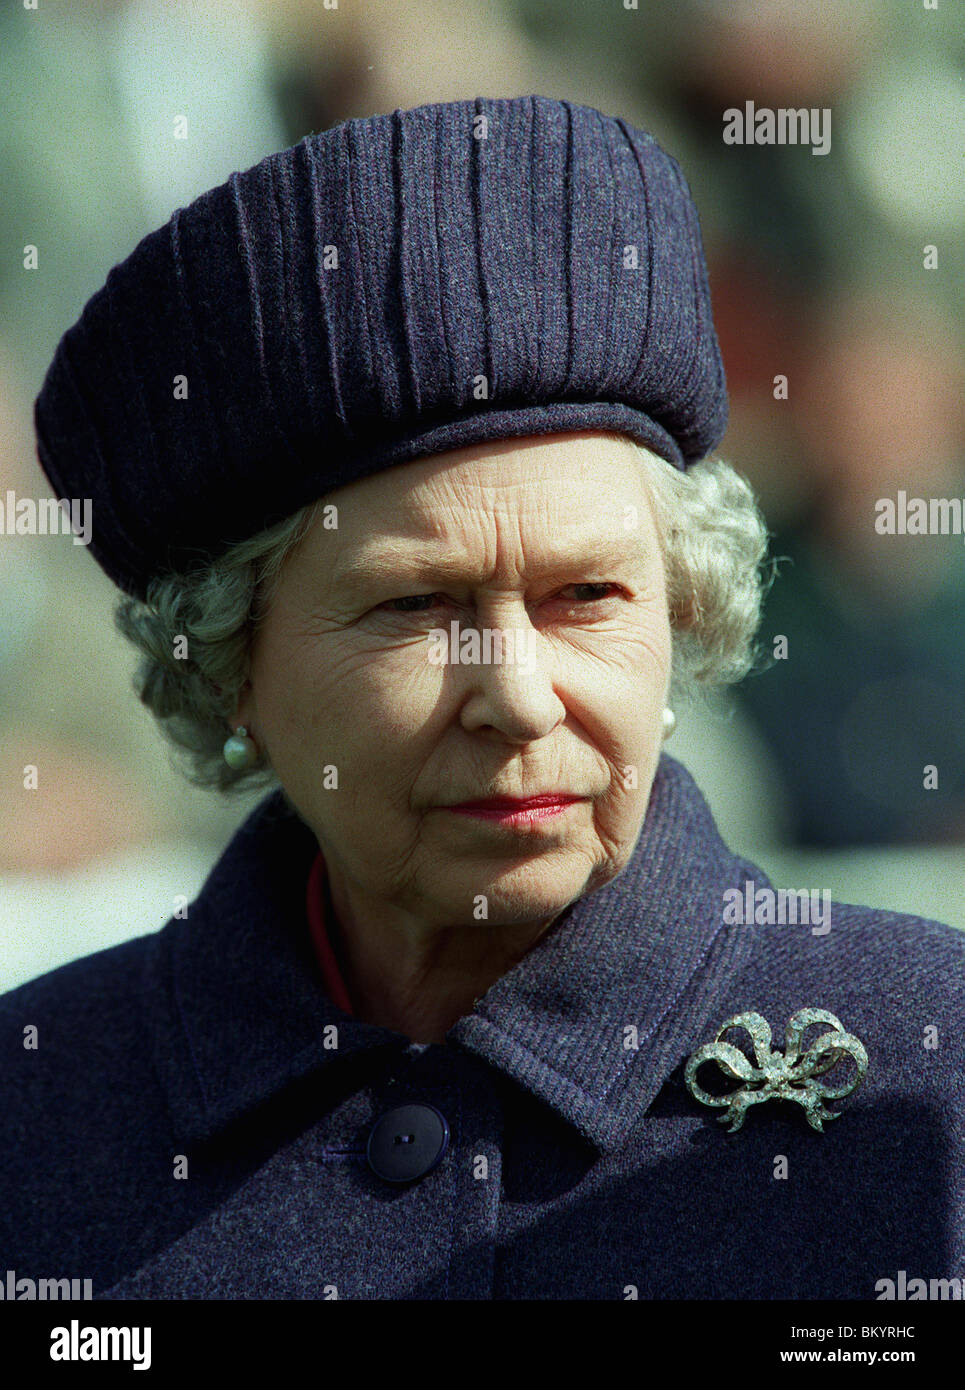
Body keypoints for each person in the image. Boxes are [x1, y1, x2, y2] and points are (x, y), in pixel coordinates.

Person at [3, 96, 962, 1301]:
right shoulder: (38, 1116)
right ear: (229, 662)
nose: (516, 696)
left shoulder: (930, 1076)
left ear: (683, 612)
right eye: (412, 608)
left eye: (587, 595)